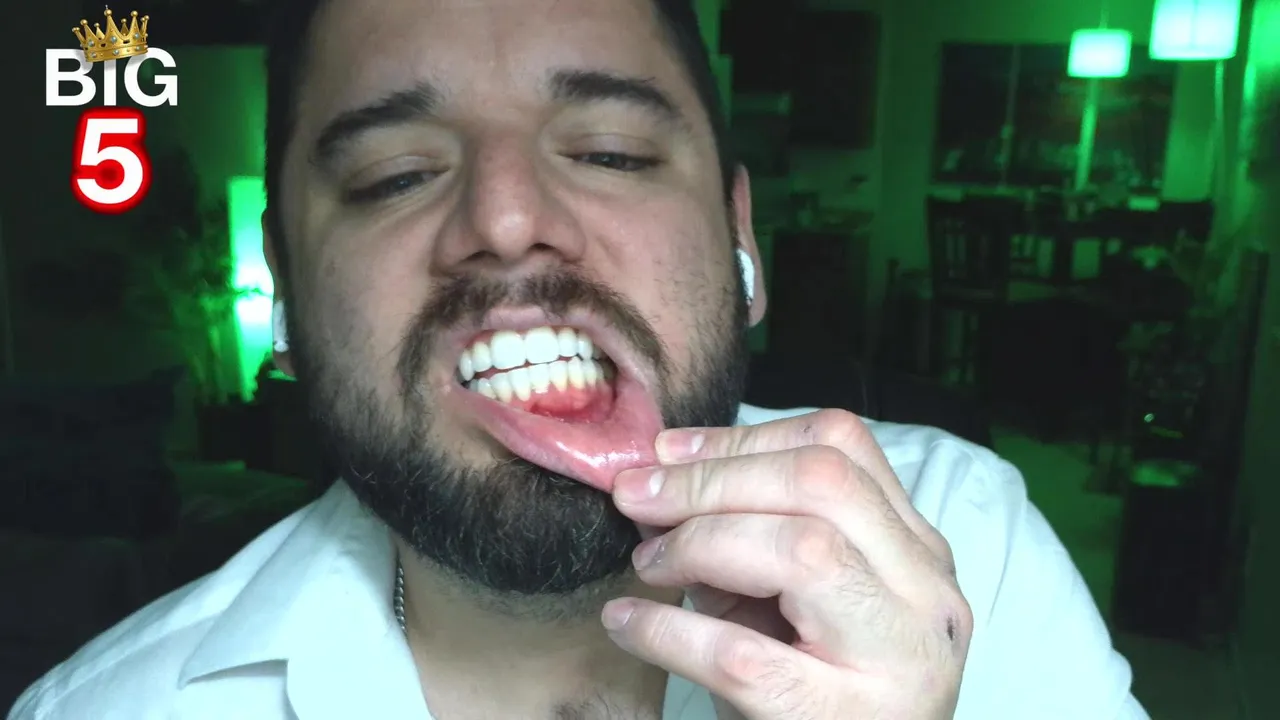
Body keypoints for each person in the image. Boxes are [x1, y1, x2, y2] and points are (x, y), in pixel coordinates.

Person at [10, 0, 1149, 718]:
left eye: (609, 152)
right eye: (394, 176)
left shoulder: (970, 541)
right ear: (292, 295)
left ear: (741, 240)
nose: (507, 220)